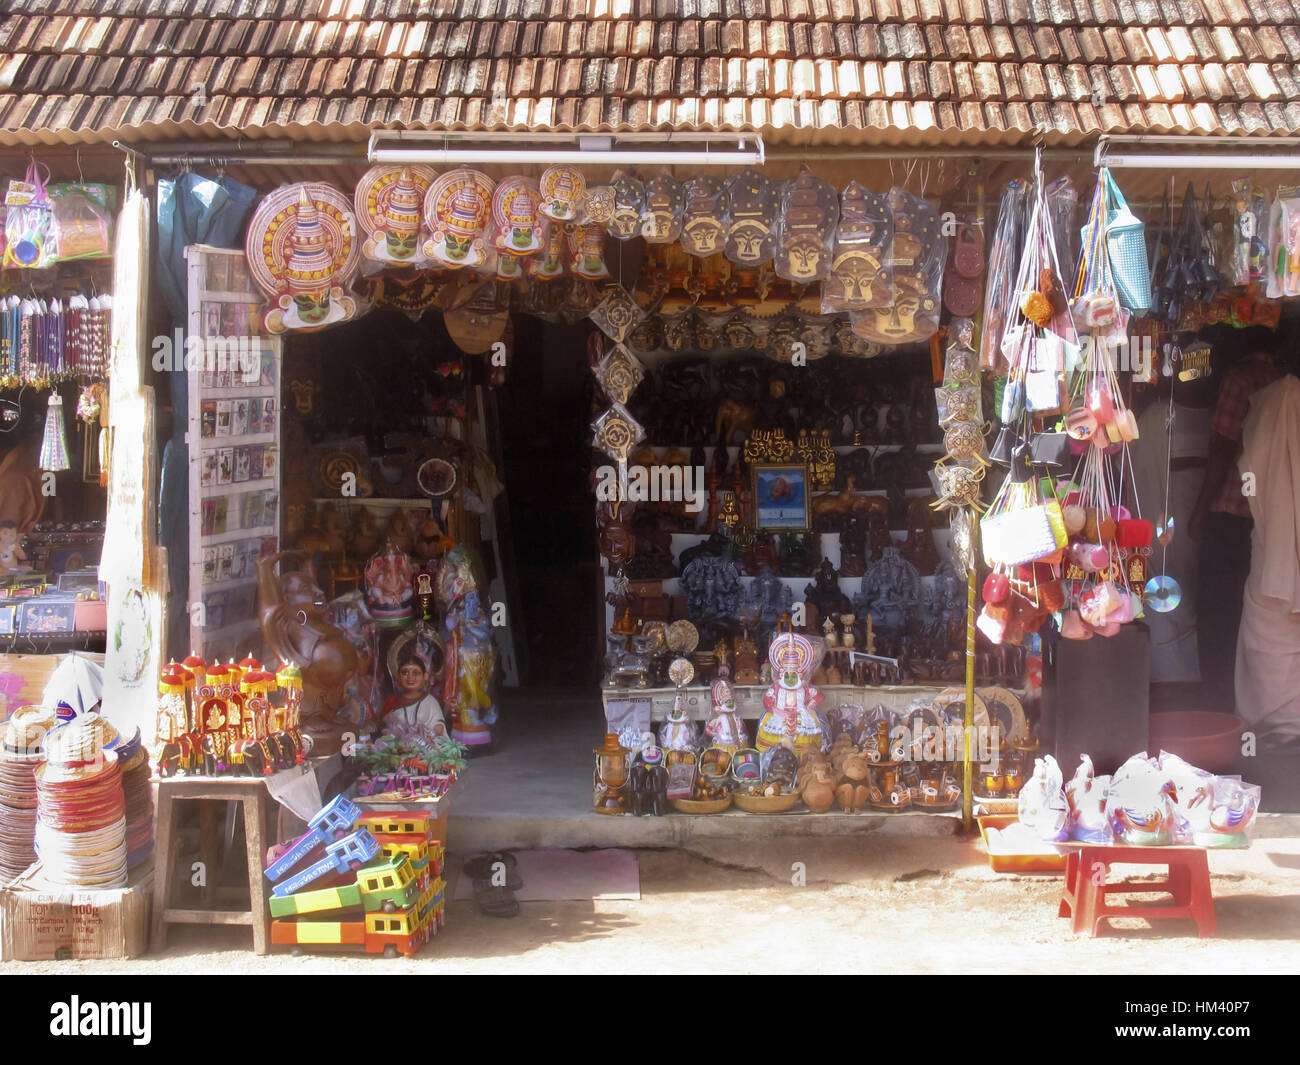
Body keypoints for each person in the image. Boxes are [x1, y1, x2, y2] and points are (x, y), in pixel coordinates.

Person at [1189, 327, 1280, 710]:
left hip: (1229, 515)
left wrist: (1198, 512)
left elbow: (1224, 449)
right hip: (1264, 519)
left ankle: (1218, 704)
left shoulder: (1239, 380)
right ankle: (1246, 700)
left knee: (1216, 612)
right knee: (1249, 615)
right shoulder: (1281, 383)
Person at [1234, 372, 1300, 747]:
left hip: (1269, 547)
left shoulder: (1266, 409)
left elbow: (1249, 471)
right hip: (1274, 544)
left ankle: (1276, 729)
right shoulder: (1278, 404)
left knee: (1270, 632)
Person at [377, 651, 446, 747]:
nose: (410, 677)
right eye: (405, 672)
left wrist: (430, 734)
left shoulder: (430, 701)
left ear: (425, 677)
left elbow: (439, 728)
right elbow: (383, 727)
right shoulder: (392, 701)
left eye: (416, 673)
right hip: (397, 749)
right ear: (398, 676)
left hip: (426, 749)